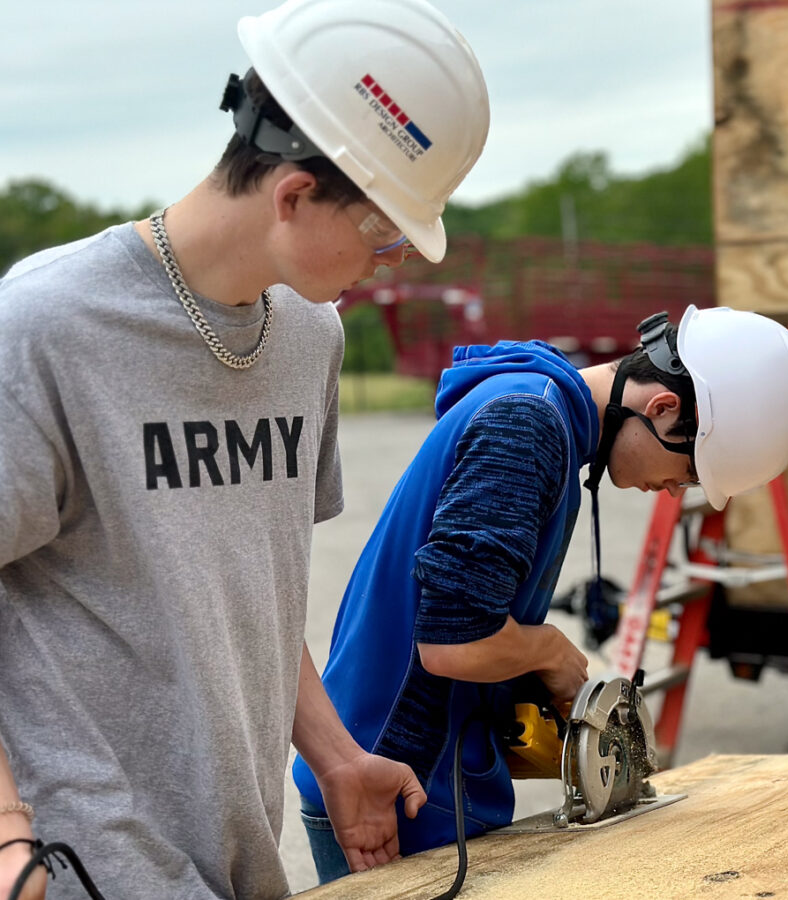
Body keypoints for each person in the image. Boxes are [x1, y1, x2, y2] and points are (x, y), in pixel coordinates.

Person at [0, 0, 489, 897]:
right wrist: (6, 832)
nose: (393, 262)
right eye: (385, 234)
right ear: (295, 195)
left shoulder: (310, 339)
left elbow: (248, 589)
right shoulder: (44, 327)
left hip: (236, 853)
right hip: (72, 864)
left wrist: (338, 758)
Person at [293, 304, 788, 882]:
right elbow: (453, 643)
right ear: (663, 408)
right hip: (398, 789)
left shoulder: (540, 408)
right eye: (689, 471)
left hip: (419, 776)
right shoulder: (526, 427)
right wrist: (551, 654)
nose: (673, 490)